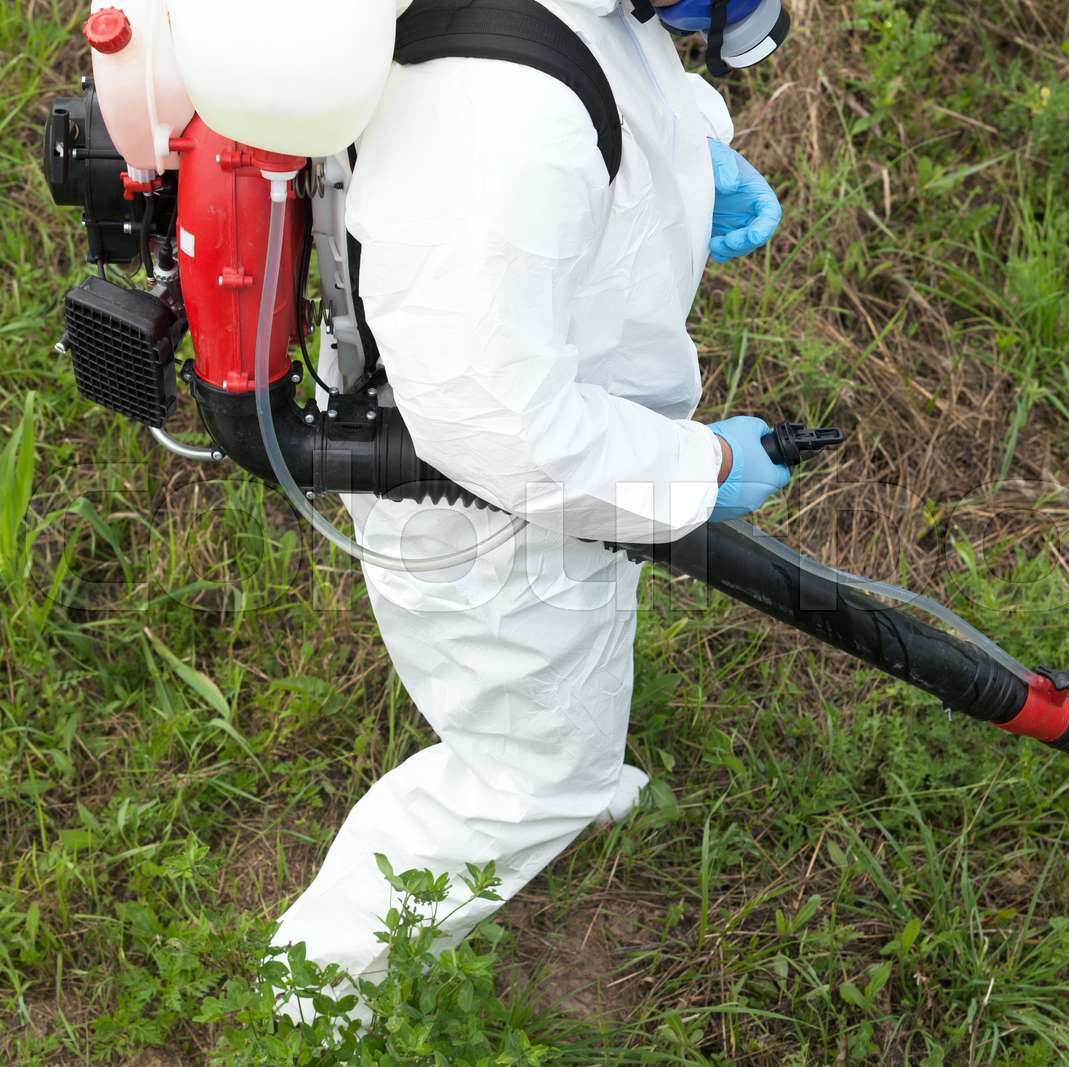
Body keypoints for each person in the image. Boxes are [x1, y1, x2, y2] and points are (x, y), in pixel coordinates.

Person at [272, 0, 789, 1018]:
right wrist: (699, 466)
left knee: (578, 638)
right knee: (523, 772)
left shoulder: (575, 39)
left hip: (549, 451)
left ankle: (578, 759)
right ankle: (310, 999)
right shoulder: (510, 127)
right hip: (485, 511)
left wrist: (682, 154)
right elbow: (499, 424)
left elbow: (591, 68)